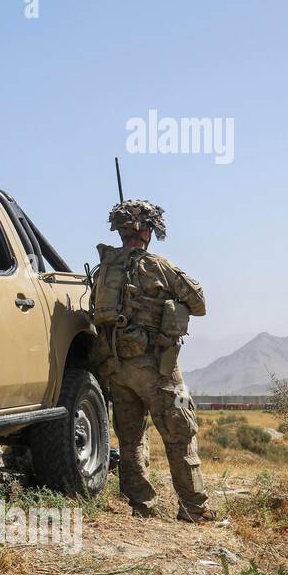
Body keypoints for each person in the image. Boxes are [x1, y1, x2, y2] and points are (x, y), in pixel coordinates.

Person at [91, 200, 212, 522]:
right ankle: (193, 508)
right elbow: (199, 304)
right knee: (179, 433)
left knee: (130, 441)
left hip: (116, 367)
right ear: (147, 230)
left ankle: (141, 506)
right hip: (156, 367)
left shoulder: (103, 269)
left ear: (119, 230)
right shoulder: (157, 265)